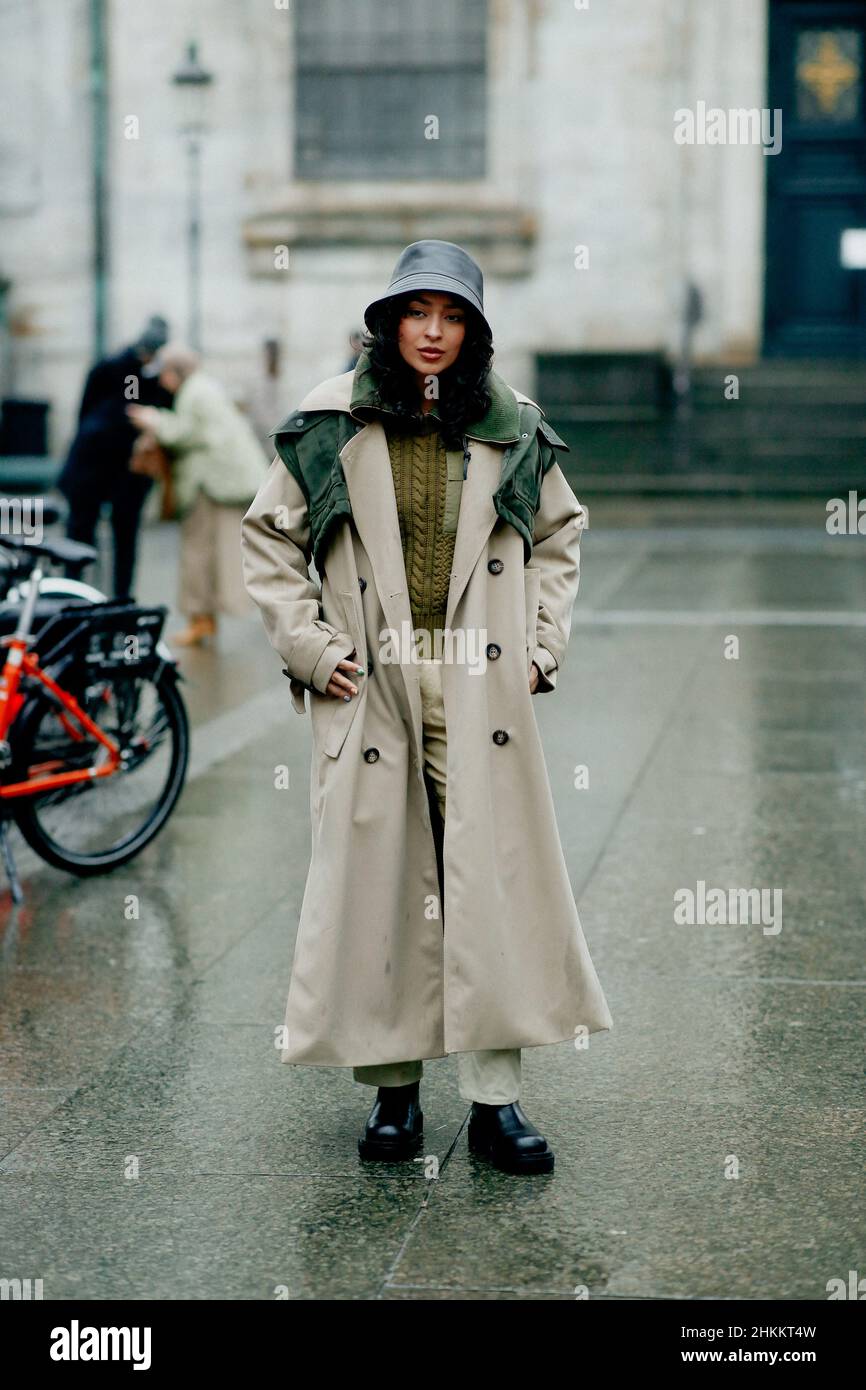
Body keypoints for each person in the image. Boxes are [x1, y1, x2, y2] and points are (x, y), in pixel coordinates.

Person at [241, 240, 613, 1175]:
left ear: (475, 331)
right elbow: (268, 542)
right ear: (390, 323)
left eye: (452, 318)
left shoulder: (514, 425)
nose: (434, 333)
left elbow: (560, 534)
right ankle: (395, 1096)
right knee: (382, 883)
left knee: (491, 880)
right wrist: (314, 650)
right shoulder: (330, 421)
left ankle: (494, 1101)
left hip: (477, 683)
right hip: (373, 682)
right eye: (418, 314)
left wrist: (539, 645)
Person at [127, 344, 269, 646]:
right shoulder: (203, 388)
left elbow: (183, 434)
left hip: (209, 484)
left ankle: (200, 620)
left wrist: (153, 419)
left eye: (164, 373)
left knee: (197, 553)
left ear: (176, 371)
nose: (162, 381)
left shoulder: (193, 393)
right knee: (211, 553)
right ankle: (203, 619)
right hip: (222, 482)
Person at [58, 315, 171, 598]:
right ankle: (82, 593)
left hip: (116, 473)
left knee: (103, 534)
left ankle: (91, 595)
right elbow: (127, 413)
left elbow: (86, 413)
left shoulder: (121, 371)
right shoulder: (124, 373)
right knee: (92, 533)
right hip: (101, 469)